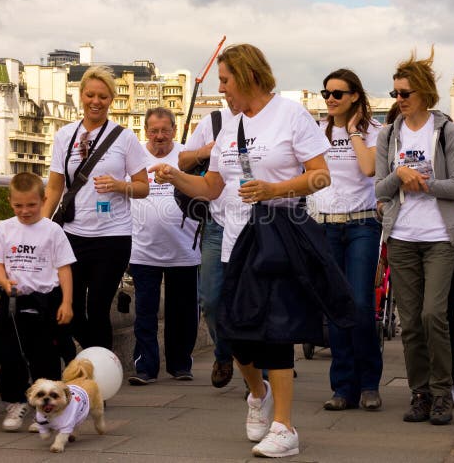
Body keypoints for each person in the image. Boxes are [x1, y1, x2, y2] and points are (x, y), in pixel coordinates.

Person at [150, 43, 332, 458]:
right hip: (233, 241)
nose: (222, 89)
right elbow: (212, 186)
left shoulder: (290, 116)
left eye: (226, 80)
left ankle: (285, 427)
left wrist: (274, 190)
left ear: (248, 76)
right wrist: (176, 176)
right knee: (228, 325)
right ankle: (257, 392)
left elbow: (320, 178)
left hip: (277, 239)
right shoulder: (229, 126)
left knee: (276, 333)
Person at [375, 48, 454, 426]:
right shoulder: (389, 134)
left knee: (434, 315)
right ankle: (421, 393)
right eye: (395, 92)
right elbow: (381, 189)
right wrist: (400, 176)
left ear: (425, 94)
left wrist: (424, 184)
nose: (399, 100)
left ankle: (443, 391)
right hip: (401, 236)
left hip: (440, 237)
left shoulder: (445, 131)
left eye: (405, 93)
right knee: (410, 320)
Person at [44, 66, 150, 351]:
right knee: (72, 307)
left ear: (111, 100)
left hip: (112, 237)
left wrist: (118, 185)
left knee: (99, 308)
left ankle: (100, 380)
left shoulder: (124, 138)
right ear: (81, 96)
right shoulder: (65, 136)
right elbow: (54, 187)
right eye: (90, 95)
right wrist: (38, 226)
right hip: (73, 235)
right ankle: (91, 366)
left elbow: (143, 187)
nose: (95, 101)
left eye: (102, 97)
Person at [310, 69, 383, 411]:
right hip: (326, 225)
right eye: (326, 93)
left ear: (355, 95)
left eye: (338, 93)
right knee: (336, 306)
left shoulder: (374, 131)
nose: (330, 100)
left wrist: (353, 131)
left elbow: (369, 169)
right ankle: (342, 387)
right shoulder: (315, 132)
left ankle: (369, 383)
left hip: (362, 224)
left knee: (361, 306)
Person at [0, 172, 75, 431]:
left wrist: (67, 303)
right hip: (14, 300)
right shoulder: (5, 228)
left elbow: (64, 269)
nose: (25, 211)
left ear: (43, 200)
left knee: (45, 355)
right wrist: (4, 282)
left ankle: (47, 411)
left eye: (31, 205)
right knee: (10, 353)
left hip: (46, 300)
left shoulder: (53, 230)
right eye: (18, 206)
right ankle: (15, 403)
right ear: (10, 203)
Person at [127, 107, 201, 385]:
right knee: (144, 312)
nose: (159, 136)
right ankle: (145, 366)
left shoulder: (185, 156)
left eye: (165, 130)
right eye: (154, 130)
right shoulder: (134, 157)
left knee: (182, 314)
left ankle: (180, 364)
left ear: (174, 129)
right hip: (143, 249)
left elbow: (203, 187)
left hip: (184, 249)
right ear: (146, 131)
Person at [177, 101, 240, 388]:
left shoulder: (270, 119)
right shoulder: (213, 121)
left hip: (259, 225)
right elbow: (184, 161)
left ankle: (263, 373)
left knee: (258, 299)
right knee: (211, 300)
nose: (224, 89)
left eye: (228, 81)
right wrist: (205, 151)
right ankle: (224, 353)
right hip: (216, 224)